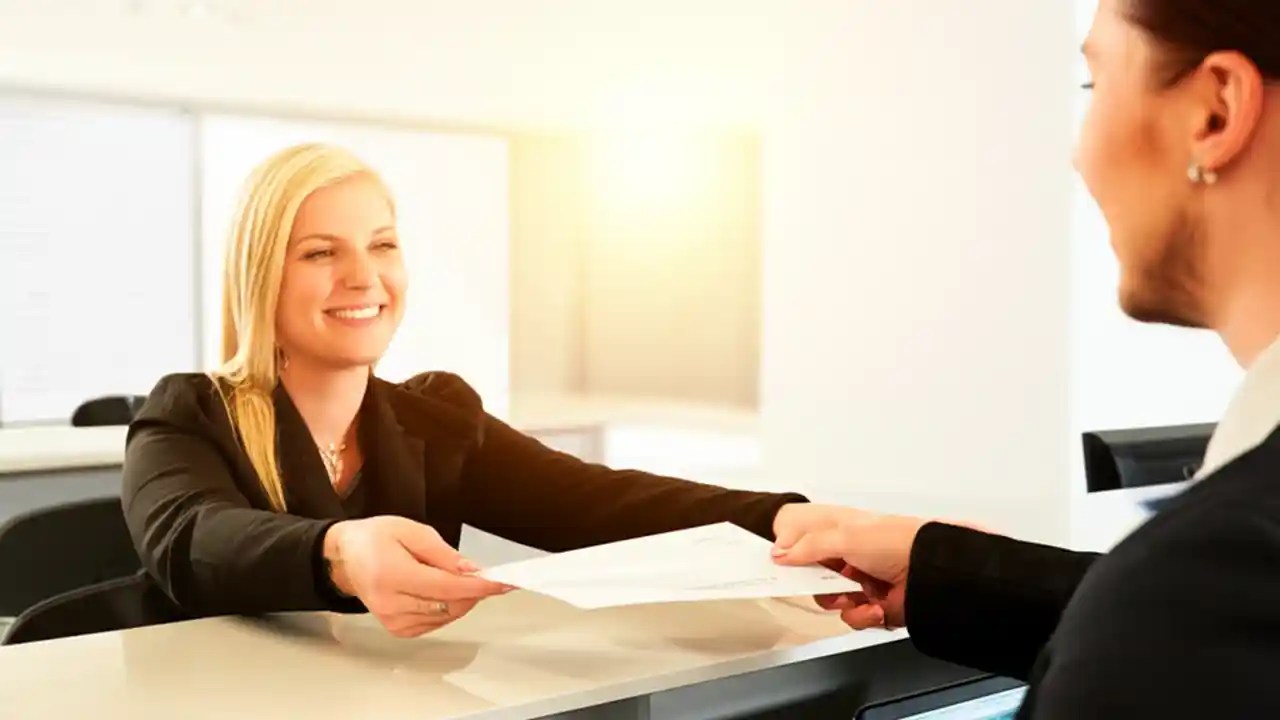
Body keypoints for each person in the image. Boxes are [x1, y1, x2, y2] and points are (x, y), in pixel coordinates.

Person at [773, 0, 1280, 717]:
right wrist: (950, 570)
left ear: (1215, 114)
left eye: (1095, 86)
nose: (1078, 155)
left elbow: (1197, 616)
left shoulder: (1208, 573)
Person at [121, 142, 832, 638]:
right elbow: (193, 539)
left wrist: (785, 523)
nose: (363, 277)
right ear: (260, 277)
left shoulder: (437, 418)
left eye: (382, 245)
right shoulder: (191, 411)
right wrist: (338, 551)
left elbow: (594, 502)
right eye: (319, 253)